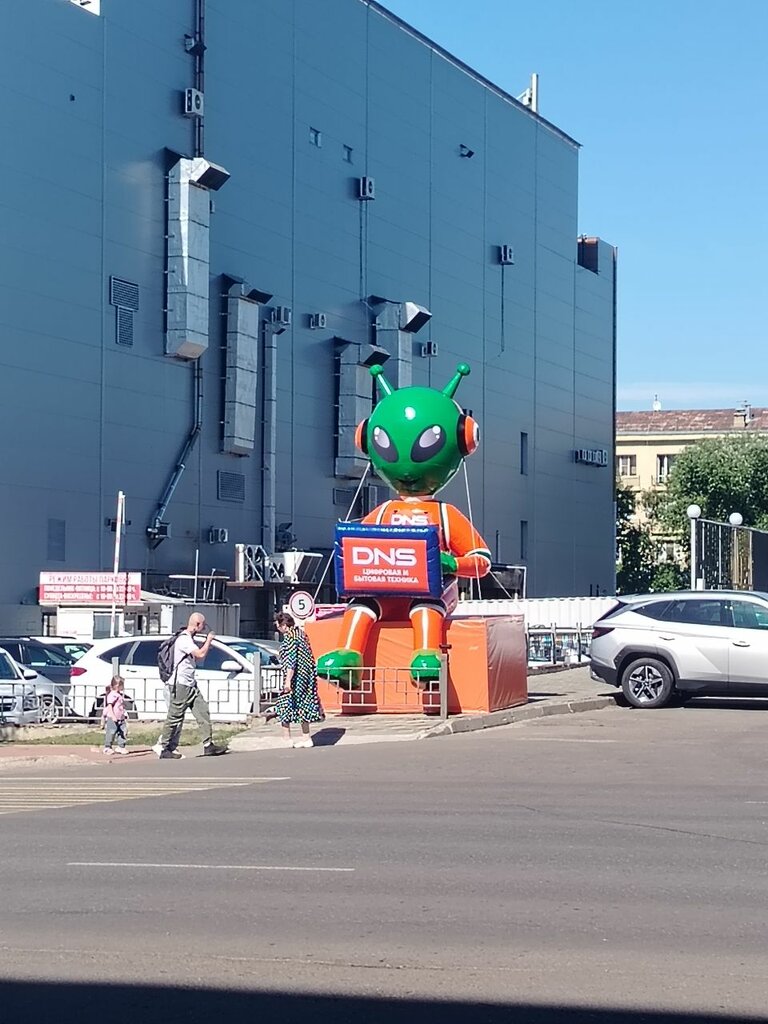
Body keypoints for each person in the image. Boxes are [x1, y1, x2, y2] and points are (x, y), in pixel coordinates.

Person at [157, 613, 227, 760]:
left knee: (203, 711)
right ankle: (164, 748)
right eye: (203, 625)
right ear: (197, 624)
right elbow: (200, 654)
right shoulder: (183, 639)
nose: (204, 628)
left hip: (191, 684)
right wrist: (208, 640)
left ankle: (208, 745)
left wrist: (206, 645)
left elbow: (197, 658)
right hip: (181, 684)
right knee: (174, 717)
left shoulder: (189, 639)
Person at [270, 612, 324, 748]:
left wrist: (288, 681)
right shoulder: (301, 634)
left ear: (284, 625)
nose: (278, 629)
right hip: (307, 677)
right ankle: (306, 737)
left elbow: (291, 661)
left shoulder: (290, 638)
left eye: (278, 626)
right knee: (303, 705)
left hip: (296, 678)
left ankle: (286, 738)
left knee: (284, 705)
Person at [101, 676, 128, 756]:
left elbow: (121, 706)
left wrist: (124, 714)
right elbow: (109, 706)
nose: (123, 687)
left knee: (123, 731)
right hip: (113, 717)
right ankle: (107, 747)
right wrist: (112, 716)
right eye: (122, 685)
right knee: (111, 732)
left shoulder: (119, 695)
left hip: (121, 717)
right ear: (117, 685)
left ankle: (121, 746)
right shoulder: (112, 695)